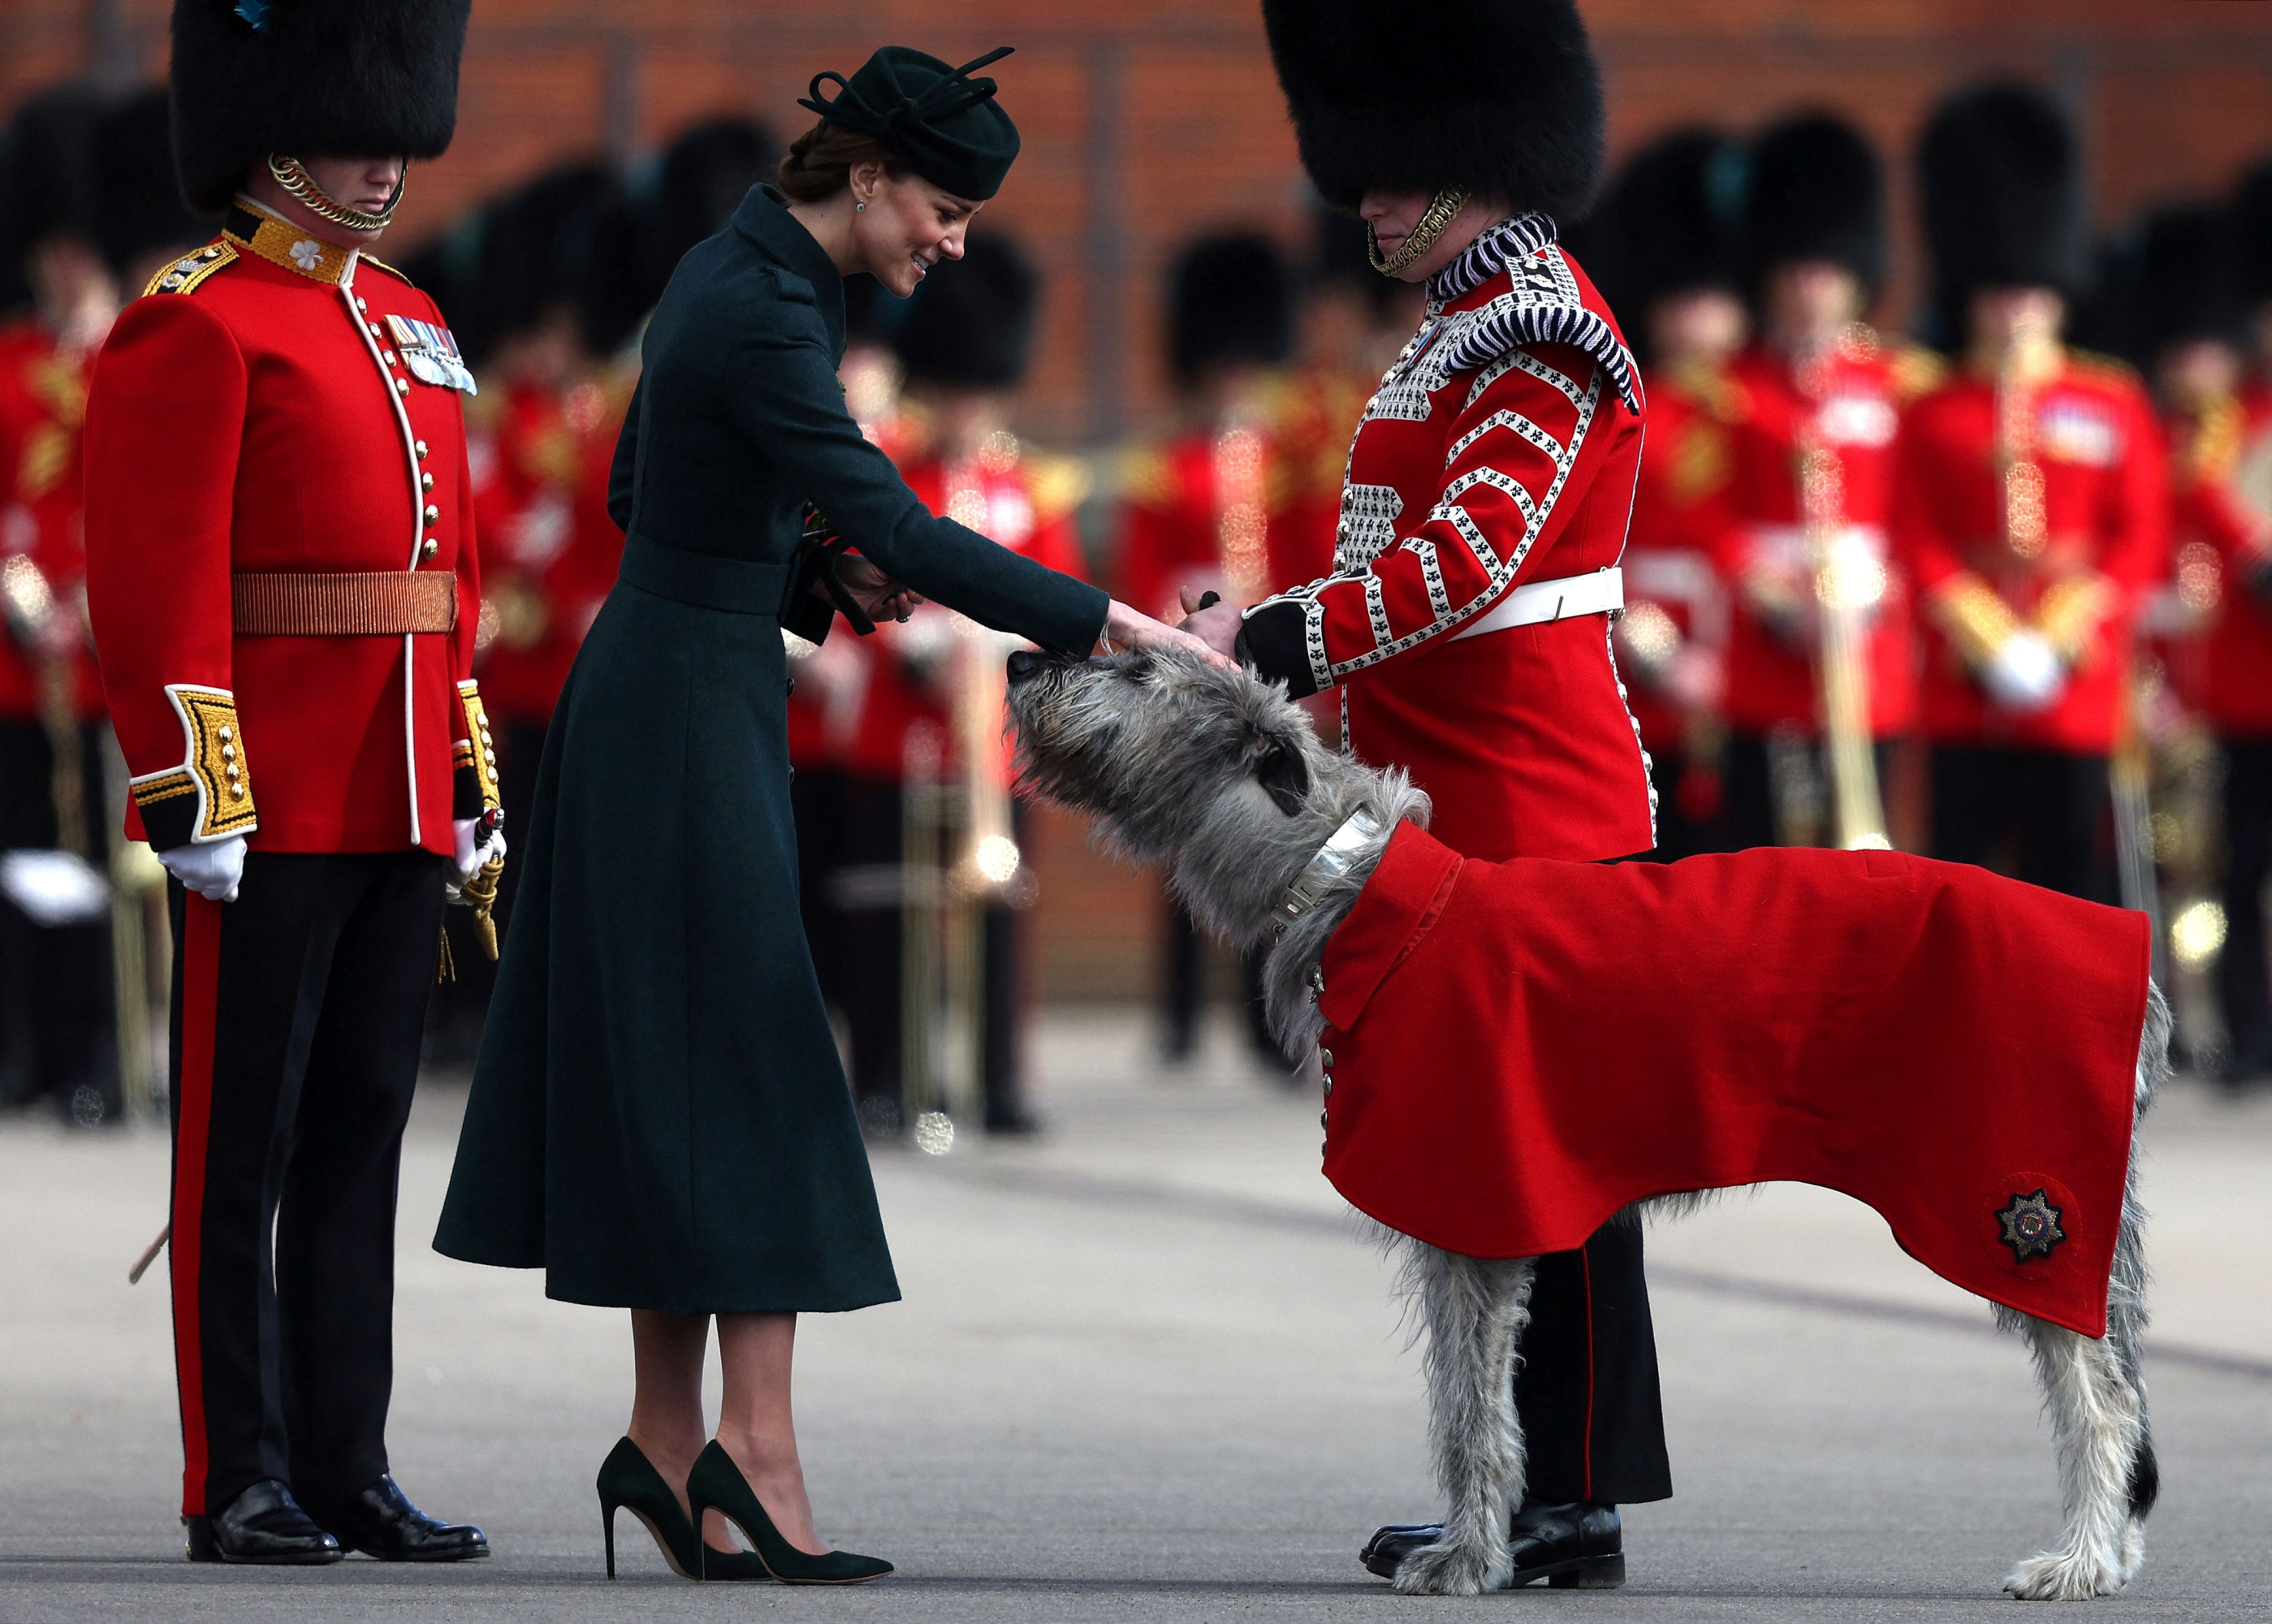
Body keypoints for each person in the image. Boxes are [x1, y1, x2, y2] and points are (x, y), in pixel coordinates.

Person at [431, 45, 1219, 1583]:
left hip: (668, 683)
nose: (954, 239)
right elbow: (893, 518)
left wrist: (794, 575)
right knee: (761, 1065)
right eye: (940, 205)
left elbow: (645, 485)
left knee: (676, 1067)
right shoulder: (770, 301)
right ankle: (756, 1456)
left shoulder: (737, 272)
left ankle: (668, 1445)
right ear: (863, 178)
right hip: (681, 712)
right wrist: (1107, 623)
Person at [1188, 0, 1670, 1587]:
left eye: (1405, 180)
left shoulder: (1540, 328)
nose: (1372, 204)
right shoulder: (1462, 319)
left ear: (1489, 161)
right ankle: (1513, 1483)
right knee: (1485, 1158)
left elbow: (1466, 565)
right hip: (1451, 796)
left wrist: (1277, 634)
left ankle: (1572, 1499)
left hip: (1533, 800)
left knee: (1560, 1163)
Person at [80, 0, 495, 1566]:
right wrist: (194, 788)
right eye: (357, 127)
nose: (386, 158)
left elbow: (438, 580)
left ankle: (347, 1460)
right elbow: (155, 575)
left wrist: (462, 769)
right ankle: (232, 1472)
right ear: (275, 132)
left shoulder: (404, 316)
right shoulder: (195, 319)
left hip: (394, 793)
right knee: (233, 1154)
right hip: (267, 804)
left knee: (356, 1145)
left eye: (399, 128)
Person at [1896, 84, 2168, 901]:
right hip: (1962, 683)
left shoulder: (2108, 399)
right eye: (1997, 289)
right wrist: (1984, 632)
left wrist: (2056, 633)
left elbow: (2138, 533)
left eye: (2029, 289)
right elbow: (1913, 532)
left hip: (2074, 680)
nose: (2014, 306)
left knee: (2073, 884)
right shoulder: (1933, 405)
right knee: (1962, 880)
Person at [1719, 115, 1937, 851]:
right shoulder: (1731, 389)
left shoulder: (1902, 386)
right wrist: (1779, 602)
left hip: (1867, 644)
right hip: (1766, 650)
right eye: (1797, 269)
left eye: (1829, 270)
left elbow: (1918, 516)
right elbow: (1711, 520)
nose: (1812, 287)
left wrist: (1875, 594)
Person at [1119, 234, 1294, 1069]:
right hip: (1191, 663)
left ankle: (1262, 1020)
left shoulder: (1285, 463)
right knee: (1186, 837)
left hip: (1267, 660)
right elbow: (1145, 567)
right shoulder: (1168, 463)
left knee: (1273, 835)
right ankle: (1181, 1013)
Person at [0, 85, 119, 1123]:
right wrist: (26, 592)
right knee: (27, 853)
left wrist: (91, 596)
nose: (62, 263)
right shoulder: (12, 361)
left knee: (95, 861)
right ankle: (32, 1048)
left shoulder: (135, 350)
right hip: (19, 654)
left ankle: (96, 1053)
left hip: (107, 655)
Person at [2146, 197, 2272, 1086]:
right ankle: (2245, 1033)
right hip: (2243, 683)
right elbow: (2191, 505)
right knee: (2237, 865)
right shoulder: (2226, 421)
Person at [1596, 128, 1746, 861]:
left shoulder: (1768, 413)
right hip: (1648, 677)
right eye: (1684, 297)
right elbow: (1605, 556)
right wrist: (1660, 656)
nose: (1700, 316)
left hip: (1760, 676)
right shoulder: (1629, 415)